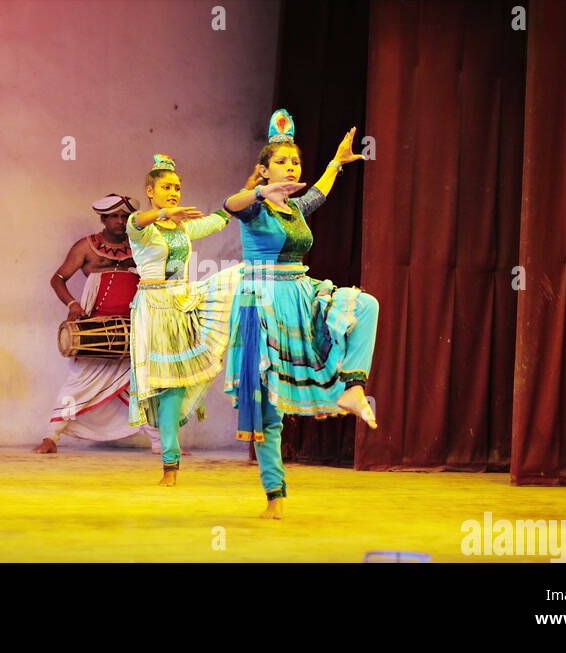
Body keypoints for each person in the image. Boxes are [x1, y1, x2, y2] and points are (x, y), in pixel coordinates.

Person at [223, 109, 379, 519]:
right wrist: (257, 193)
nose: (291, 166)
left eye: (295, 161)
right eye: (281, 161)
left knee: (366, 304)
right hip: (264, 303)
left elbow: (319, 194)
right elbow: (229, 203)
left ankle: (353, 387)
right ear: (263, 169)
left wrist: (335, 164)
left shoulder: (293, 208)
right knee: (269, 408)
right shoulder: (255, 208)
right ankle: (274, 495)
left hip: (300, 291)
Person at [126, 155, 239, 485]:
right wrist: (162, 214)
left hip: (182, 306)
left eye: (177, 187)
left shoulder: (182, 228)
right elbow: (135, 222)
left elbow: (219, 220)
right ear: (151, 190)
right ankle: (169, 464)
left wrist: (248, 191)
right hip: (153, 309)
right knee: (164, 387)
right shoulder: (144, 229)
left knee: (177, 387)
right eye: (166, 187)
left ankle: (170, 460)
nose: (174, 192)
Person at [33, 194, 162, 454]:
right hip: (97, 324)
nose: (120, 221)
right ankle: (51, 437)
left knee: (142, 382)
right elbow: (57, 279)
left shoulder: (141, 244)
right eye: (113, 216)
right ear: (102, 218)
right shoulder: (86, 246)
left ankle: (161, 442)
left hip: (134, 322)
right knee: (79, 382)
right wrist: (72, 304)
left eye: (125, 216)